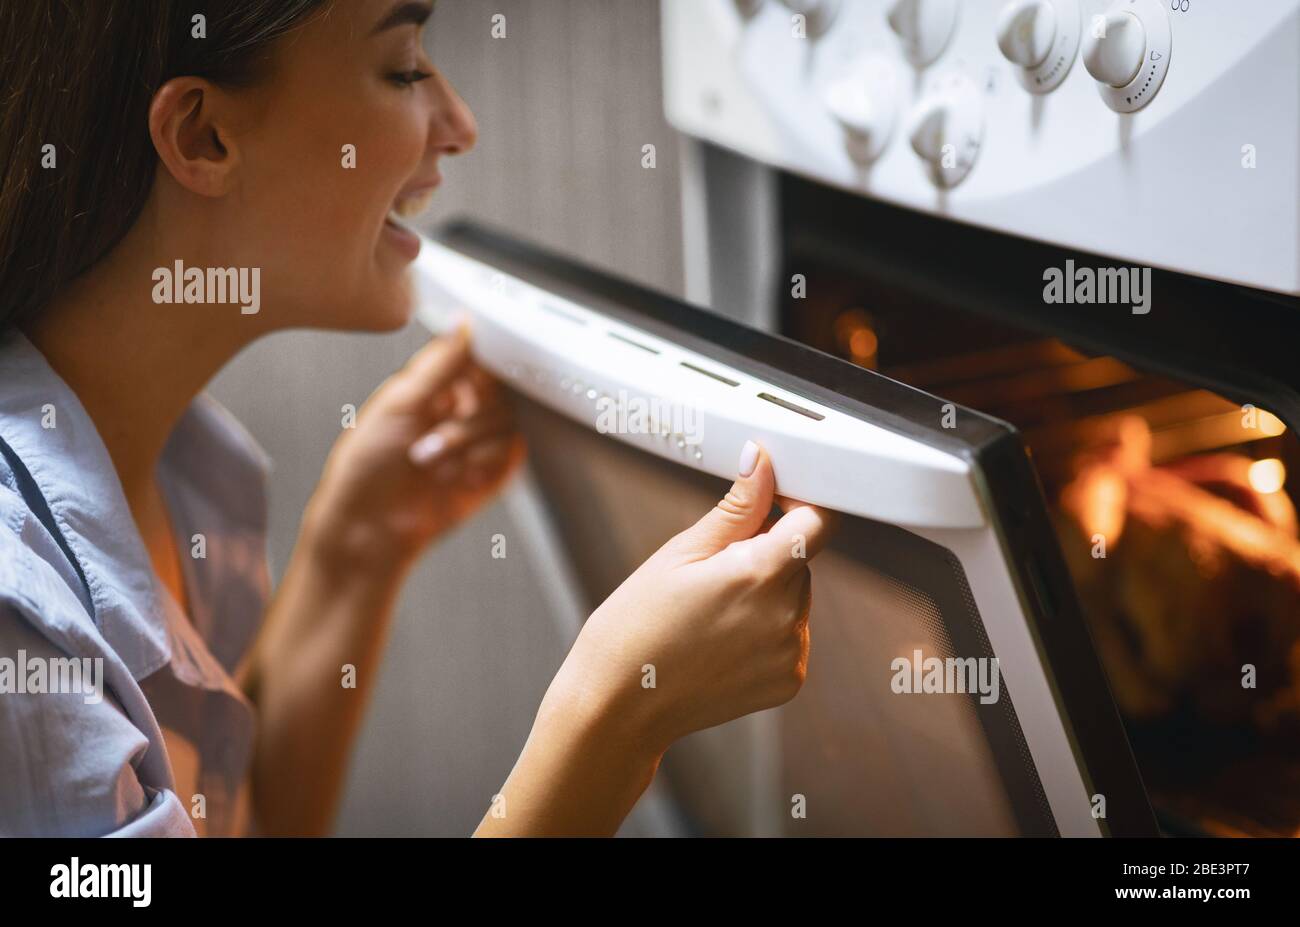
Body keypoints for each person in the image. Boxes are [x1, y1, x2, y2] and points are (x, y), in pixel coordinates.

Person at [0, 0, 833, 837]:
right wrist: (614, 718)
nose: (459, 126)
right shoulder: (20, 640)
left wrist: (352, 555)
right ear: (202, 136)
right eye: (402, 68)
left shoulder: (166, 460)